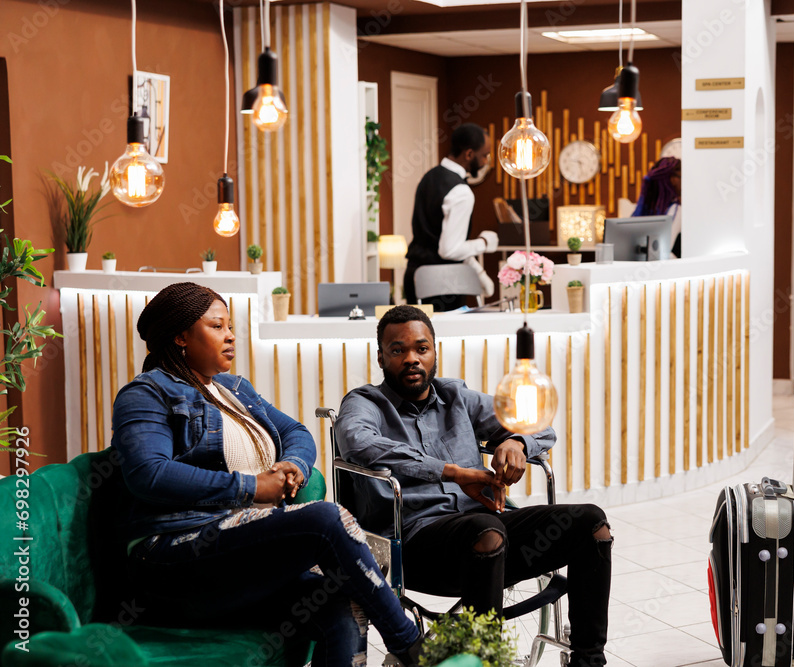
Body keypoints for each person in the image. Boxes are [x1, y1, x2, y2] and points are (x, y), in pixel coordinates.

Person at [111, 282, 423, 667]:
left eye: (229, 325)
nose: (230, 335)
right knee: (326, 518)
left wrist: (293, 464)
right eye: (216, 326)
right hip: (173, 560)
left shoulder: (234, 389)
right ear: (180, 336)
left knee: (337, 605)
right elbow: (149, 474)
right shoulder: (146, 394)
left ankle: (409, 648)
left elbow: (297, 432)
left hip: (236, 553)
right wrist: (251, 486)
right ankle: (413, 648)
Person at [336, 305, 613, 667]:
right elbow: (359, 443)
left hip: (489, 538)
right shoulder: (365, 402)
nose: (411, 359)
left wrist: (516, 443)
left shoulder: (456, 396)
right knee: (486, 528)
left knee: (592, 524)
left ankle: (589, 662)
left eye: (422, 348)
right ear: (381, 357)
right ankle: (480, 662)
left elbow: (540, 426)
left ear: (435, 352)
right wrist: (451, 473)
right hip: (416, 545)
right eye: (397, 350)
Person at [403, 123, 499, 311]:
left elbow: (439, 237)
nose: (486, 161)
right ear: (469, 154)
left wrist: (479, 271)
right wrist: (484, 244)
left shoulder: (428, 177)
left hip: (415, 276)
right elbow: (449, 250)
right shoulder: (461, 191)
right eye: (485, 155)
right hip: (442, 283)